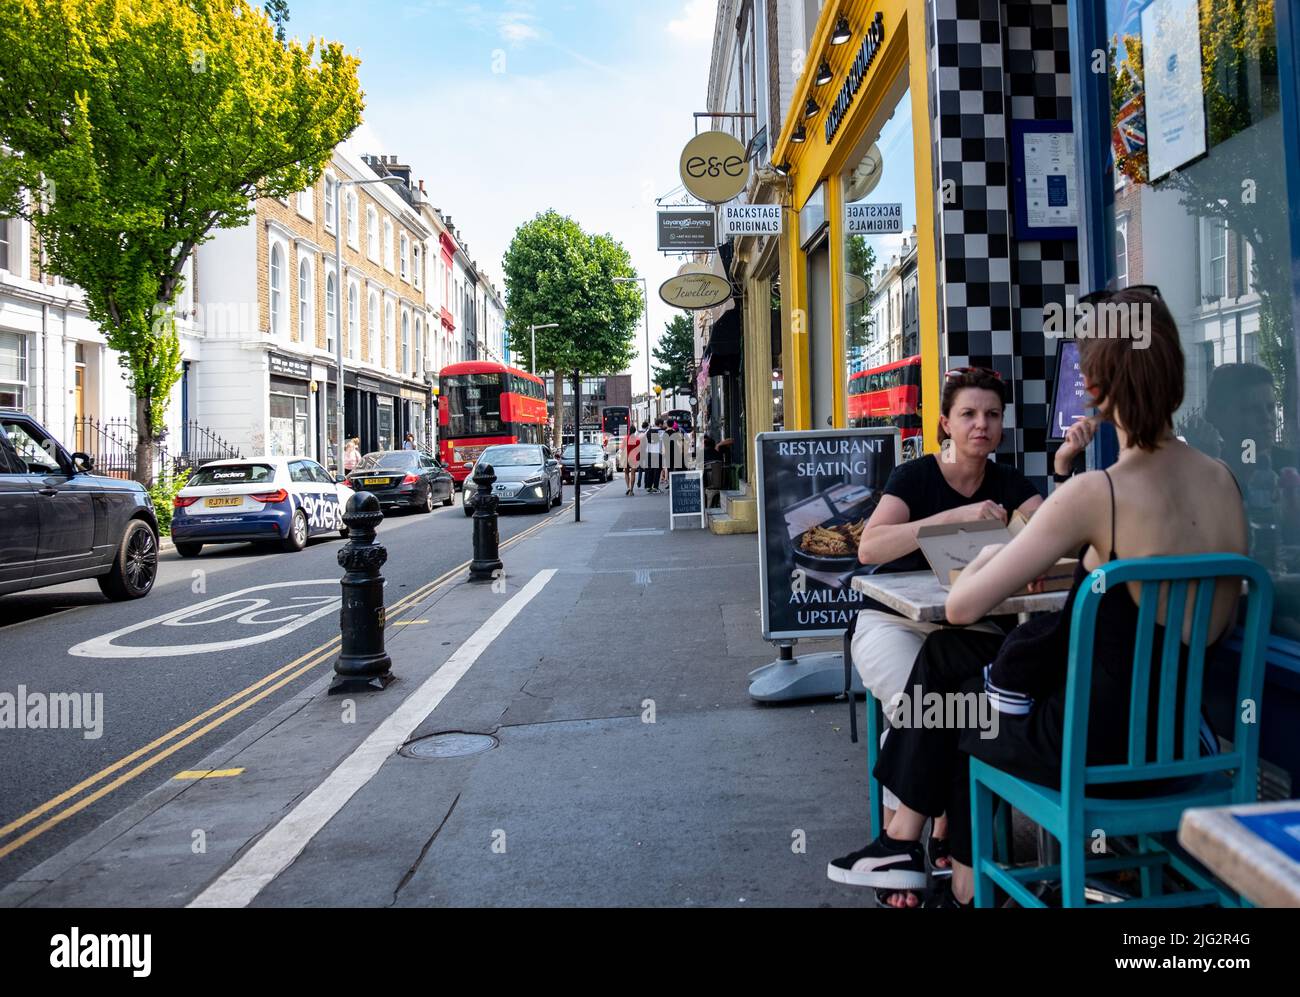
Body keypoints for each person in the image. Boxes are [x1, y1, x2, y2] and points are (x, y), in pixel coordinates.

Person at [831, 287, 1248, 907]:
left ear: (1100, 388)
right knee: (953, 666)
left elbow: (964, 606)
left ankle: (928, 854)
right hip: (1190, 740)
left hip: (1092, 748)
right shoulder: (1223, 480)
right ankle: (922, 850)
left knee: (959, 700)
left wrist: (993, 554)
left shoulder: (1098, 494)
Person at [842, 366, 1044, 903]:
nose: (982, 425)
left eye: (993, 414)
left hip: (968, 627)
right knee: (932, 711)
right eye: (969, 414)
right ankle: (956, 860)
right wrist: (954, 518)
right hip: (891, 620)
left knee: (958, 710)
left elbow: (1049, 531)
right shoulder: (914, 477)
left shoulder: (1009, 481)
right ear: (945, 425)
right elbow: (870, 548)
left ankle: (907, 853)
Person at [623, 427, 641, 496]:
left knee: (626, 473)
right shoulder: (637, 440)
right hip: (634, 458)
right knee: (633, 473)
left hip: (626, 457)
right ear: (635, 431)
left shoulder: (625, 439)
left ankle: (628, 487)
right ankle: (631, 490)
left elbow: (622, 449)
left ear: (629, 431)